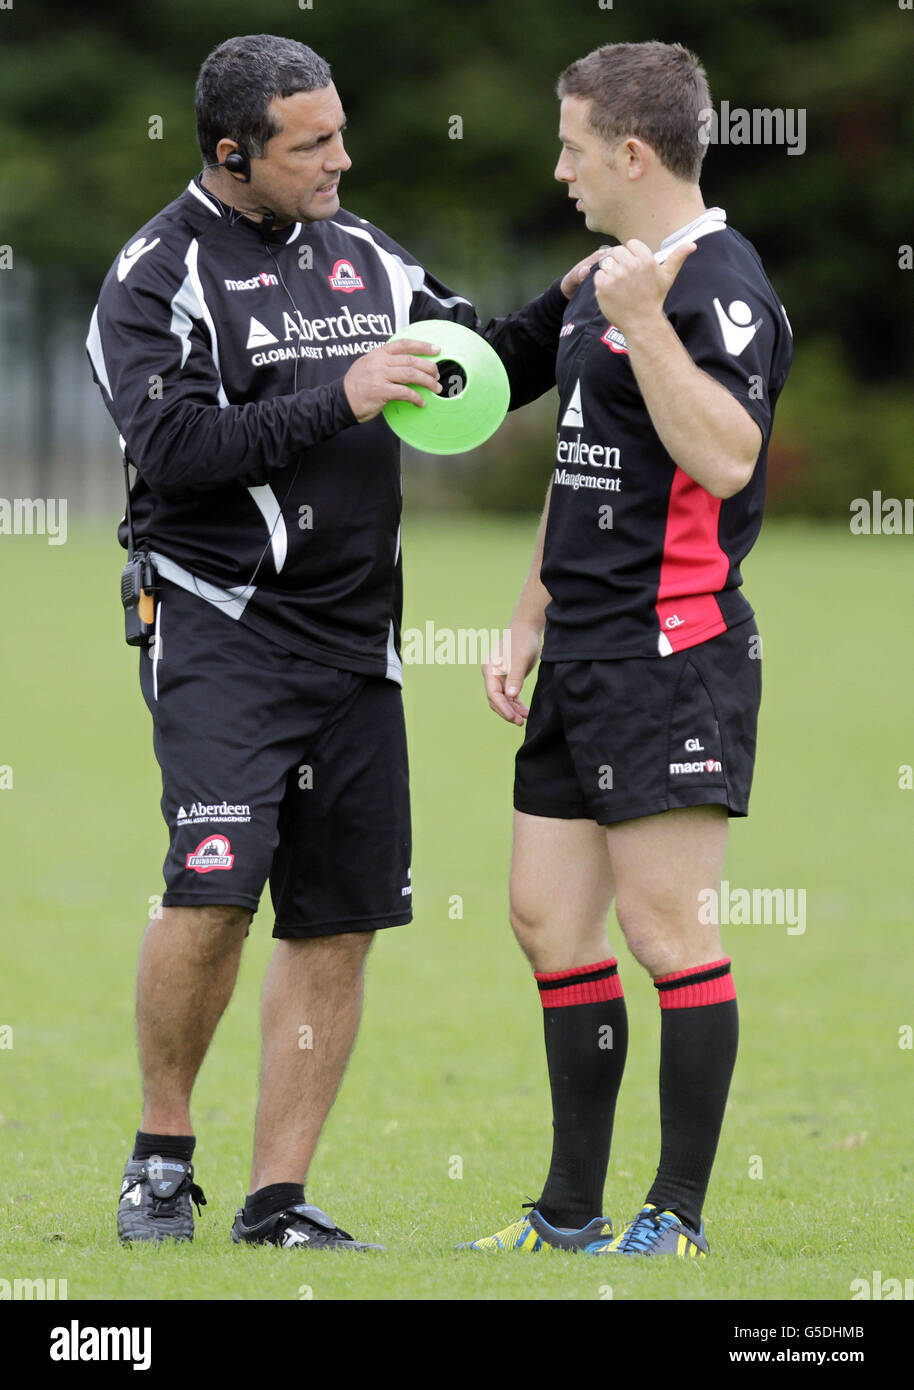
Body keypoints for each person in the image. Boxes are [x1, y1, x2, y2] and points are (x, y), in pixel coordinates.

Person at [87, 33, 605, 1250]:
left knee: (337, 918)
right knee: (212, 888)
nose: (340, 158)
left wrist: (560, 308)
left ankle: (277, 1201)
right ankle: (162, 1158)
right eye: (309, 143)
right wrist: (343, 395)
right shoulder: (155, 275)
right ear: (231, 155)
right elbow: (171, 453)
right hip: (218, 626)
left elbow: (475, 370)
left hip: (357, 643)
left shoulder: (361, 252)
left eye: (338, 132)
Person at [469, 41, 793, 1257]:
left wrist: (644, 327)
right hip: (583, 649)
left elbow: (723, 458)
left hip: (673, 655)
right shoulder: (610, 278)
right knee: (548, 922)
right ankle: (566, 1213)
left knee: (670, 937)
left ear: (632, 153)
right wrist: (531, 609)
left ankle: (678, 1216)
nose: (560, 170)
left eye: (571, 146)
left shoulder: (712, 289)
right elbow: (584, 466)